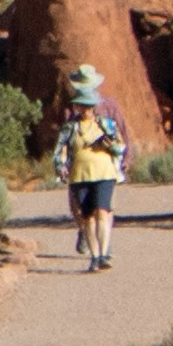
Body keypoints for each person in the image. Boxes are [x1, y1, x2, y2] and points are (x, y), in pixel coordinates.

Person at [52, 67, 134, 271]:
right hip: (79, 170)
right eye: (83, 105)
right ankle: (90, 238)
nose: (86, 109)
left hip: (106, 168)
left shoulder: (109, 108)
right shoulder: (71, 115)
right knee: (84, 212)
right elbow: (62, 145)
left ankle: (103, 251)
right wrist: (61, 166)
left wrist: (123, 156)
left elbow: (121, 133)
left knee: (104, 209)